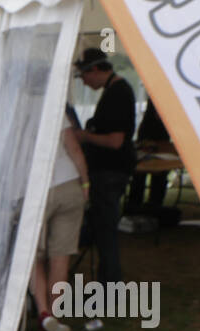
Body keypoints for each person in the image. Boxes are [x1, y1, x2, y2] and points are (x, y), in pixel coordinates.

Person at [73, 48, 137, 283]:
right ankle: (107, 280)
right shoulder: (114, 91)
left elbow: (115, 140)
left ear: (96, 70)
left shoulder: (118, 93)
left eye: (84, 76)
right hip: (109, 171)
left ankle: (109, 283)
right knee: (102, 229)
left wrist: (84, 137)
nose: (84, 82)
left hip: (110, 172)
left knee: (106, 231)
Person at [31, 111, 91, 331]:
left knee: (32, 255)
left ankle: (43, 314)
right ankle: (55, 314)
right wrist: (85, 183)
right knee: (61, 256)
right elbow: (74, 149)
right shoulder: (55, 106)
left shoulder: (12, 107)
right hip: (68, 182)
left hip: (36, 188)